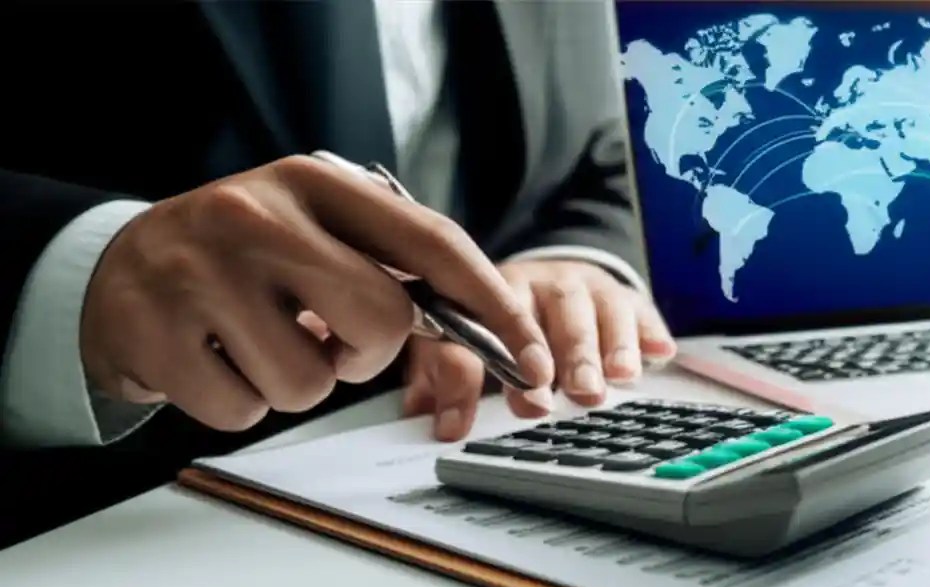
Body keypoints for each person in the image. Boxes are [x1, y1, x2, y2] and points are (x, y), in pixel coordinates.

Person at [0, 0, 675, 545]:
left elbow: (597, 148)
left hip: (448, 483)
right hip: (89, 538)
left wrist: (574, 254)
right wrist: (83, 279)